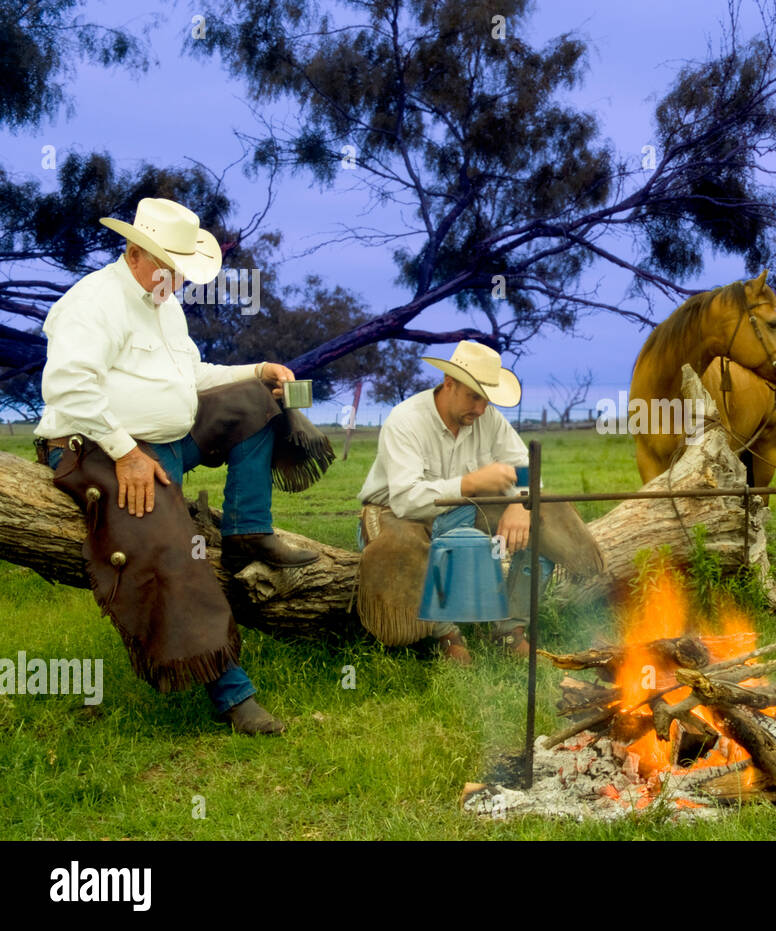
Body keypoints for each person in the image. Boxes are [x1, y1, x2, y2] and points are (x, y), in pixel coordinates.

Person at [36, 197, 322, 735]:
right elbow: (68, 389)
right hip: (95, 445)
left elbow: (191, 374)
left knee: (256, 400)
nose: (181, 281)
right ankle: (233, 695)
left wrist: (256, 370)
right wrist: (124, 453)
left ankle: (246, 530)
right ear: (136, 251)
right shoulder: (92, 302)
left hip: (167, 440)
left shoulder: (165, 301)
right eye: (172, 267)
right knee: (174, 546)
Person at [356, 340, 602, 663]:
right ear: (449, 384)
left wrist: (520, 503)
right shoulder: (405, 421)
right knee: (407, 544)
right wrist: (471, 483)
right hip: (396, 516)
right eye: (474, 397)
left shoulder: (487, 418)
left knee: (541, 522)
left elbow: (528, 471)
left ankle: (508, 632)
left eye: (486, 399)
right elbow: (405, 500)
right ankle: (445, 634)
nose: (482, 409)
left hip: (461, 512)